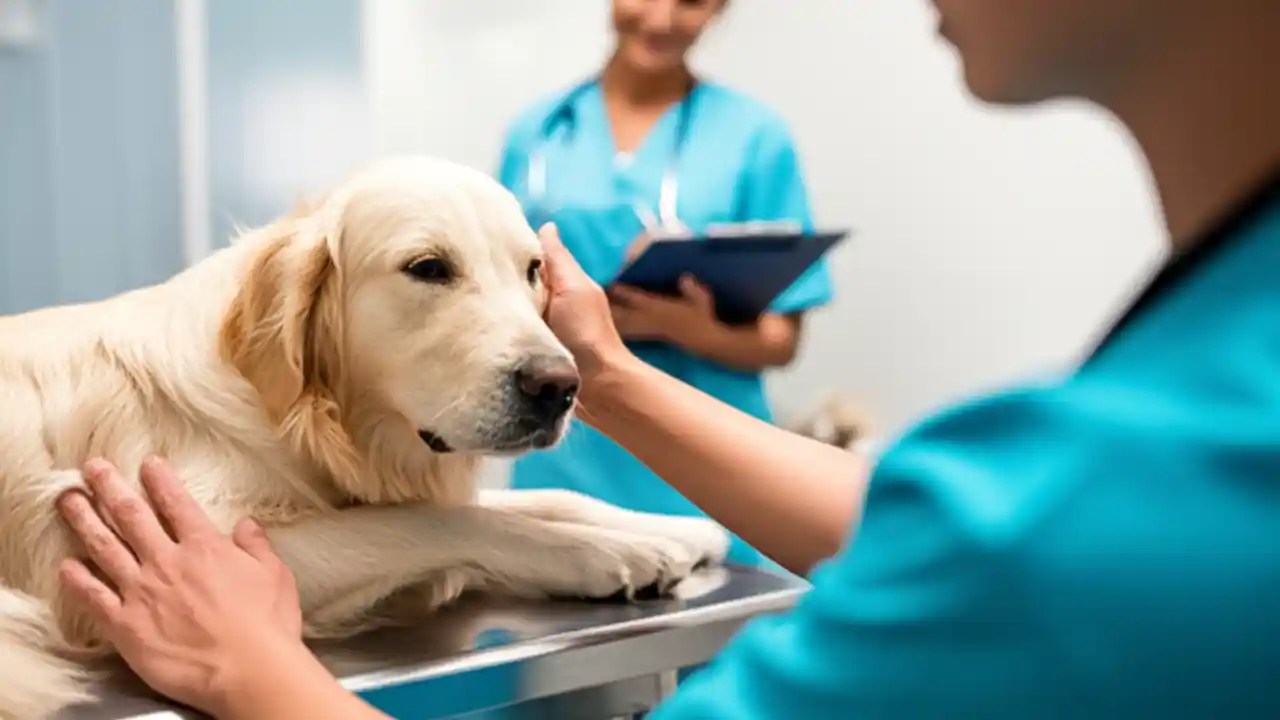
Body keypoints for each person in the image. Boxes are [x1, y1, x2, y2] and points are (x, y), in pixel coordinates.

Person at [56, 0, 1280, 717]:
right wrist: (611, 378)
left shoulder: (1096, 519)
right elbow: (912, 523)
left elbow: (997, 549)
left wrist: (261, 674)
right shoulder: (1189, 386)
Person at [495, 0, 834, 567]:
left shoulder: (755, 137)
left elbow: (780, 340)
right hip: (563, 455)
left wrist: (677, 326)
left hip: (708, 468)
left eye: (692, 2)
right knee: (553, 639)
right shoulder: (536, 134)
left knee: (722, 641)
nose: (660, 20)